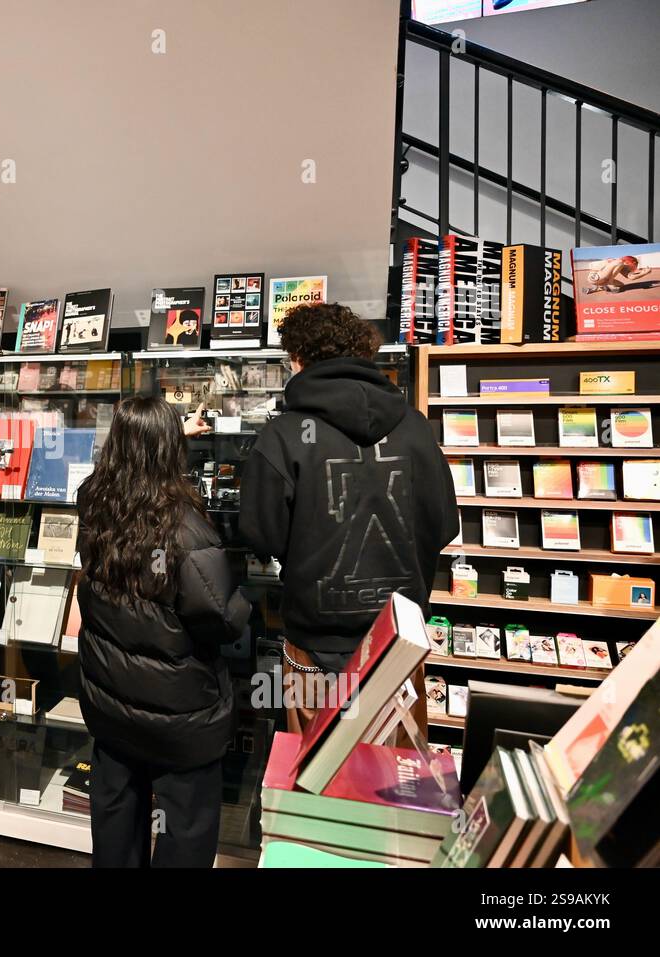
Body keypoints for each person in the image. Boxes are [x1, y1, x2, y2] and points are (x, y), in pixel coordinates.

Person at [239, 303, 458, 736]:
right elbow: (444, 524)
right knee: (391, 780)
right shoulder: (414, 428)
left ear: (298, 359)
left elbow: (261, 533)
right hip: (398, 637)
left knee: (312, 781)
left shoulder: (284, 435)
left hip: (316, 643)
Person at [75, 394, 246, 868]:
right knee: (184, 834)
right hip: (179, 719)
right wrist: (244, 598)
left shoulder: (94, 498)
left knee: (115, 825)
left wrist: (165, 434)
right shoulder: (189, 529)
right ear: (171, 449)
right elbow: (219, 619)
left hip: (111, 704)